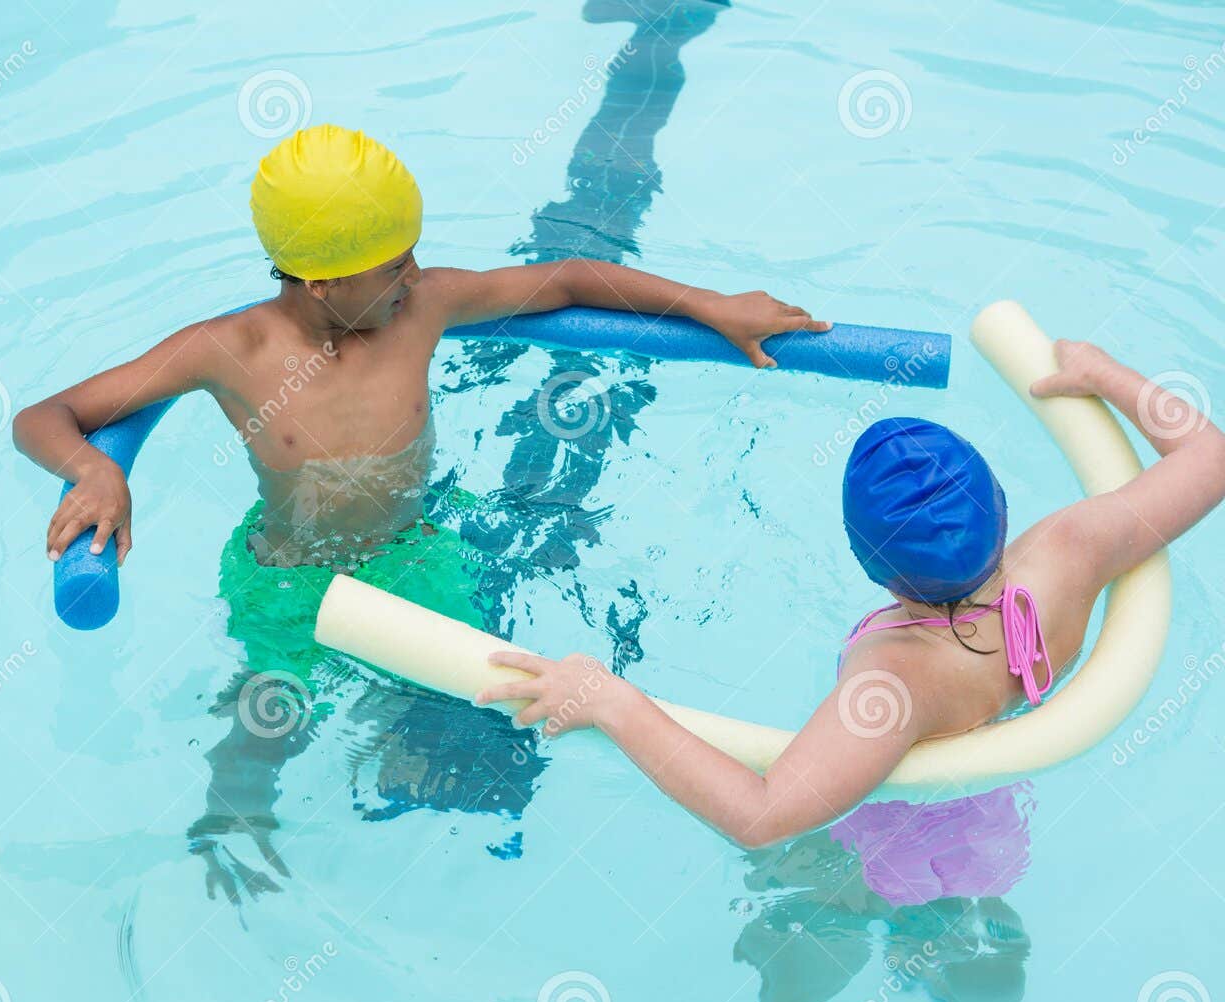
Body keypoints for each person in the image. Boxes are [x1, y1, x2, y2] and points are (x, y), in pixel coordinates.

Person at [11, 123, 827, 901]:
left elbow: (571, 277)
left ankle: (416, 780)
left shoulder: (422, 307)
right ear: (324, 282)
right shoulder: (233, 351)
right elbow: (43, 416)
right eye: (393, 266)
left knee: (485, 714)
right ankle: (227, 835)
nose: (414, 275)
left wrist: (712, 304)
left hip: (412, 553)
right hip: (291, 583)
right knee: (265, 730)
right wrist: (96, 473)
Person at [478, 340, 1225, 847]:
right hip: (994, 826)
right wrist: (1105, 374)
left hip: (894, 831)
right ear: (998, 502)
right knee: (976, 954)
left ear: (875, 571)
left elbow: (761, 816)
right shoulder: (1071, 552)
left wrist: (610, 698)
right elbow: (1210, 458)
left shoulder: (897, 680)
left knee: (792, 940)